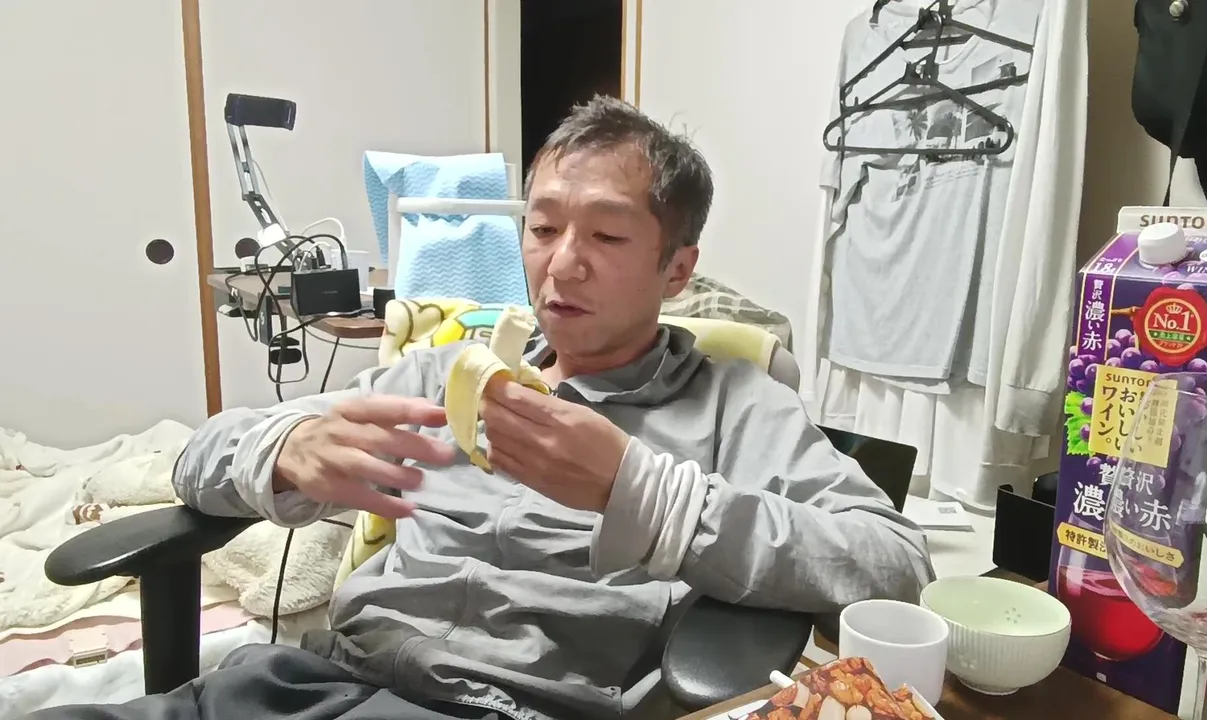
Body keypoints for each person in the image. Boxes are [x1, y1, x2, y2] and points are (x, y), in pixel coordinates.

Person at [29, 96, 933, 720]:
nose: (562, 263)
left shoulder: (734, 404)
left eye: (606, 234)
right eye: (542, 227)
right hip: (308, 686)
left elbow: (893, 565)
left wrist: (644, 493)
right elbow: (199, 460)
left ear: (677, 269)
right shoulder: (445, 374)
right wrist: (288, 446)